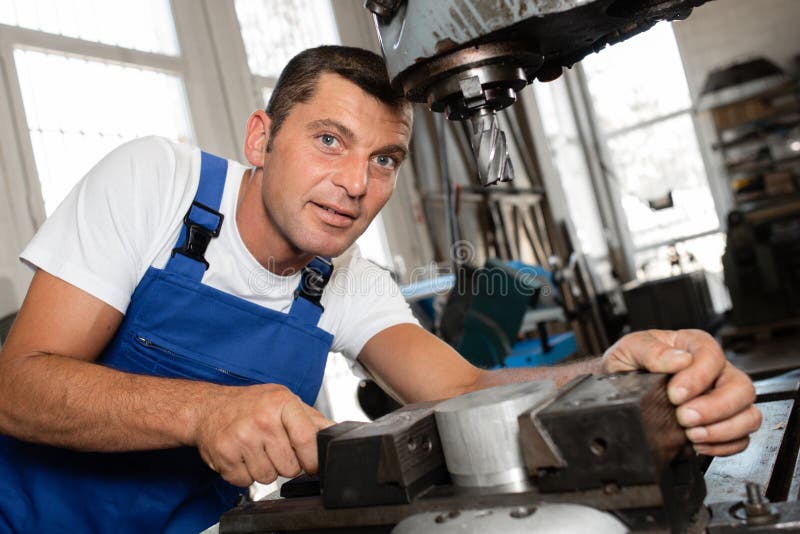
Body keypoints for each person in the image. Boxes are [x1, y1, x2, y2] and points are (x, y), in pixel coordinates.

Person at [0, 45, 759, 532]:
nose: (354, 185)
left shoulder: (349, 283)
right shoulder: (157, 185)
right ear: (262, 138)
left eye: (385, 160)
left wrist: (613, 371)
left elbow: (465, 388)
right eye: (329, 140)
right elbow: (17, 389)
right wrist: (207, 411)